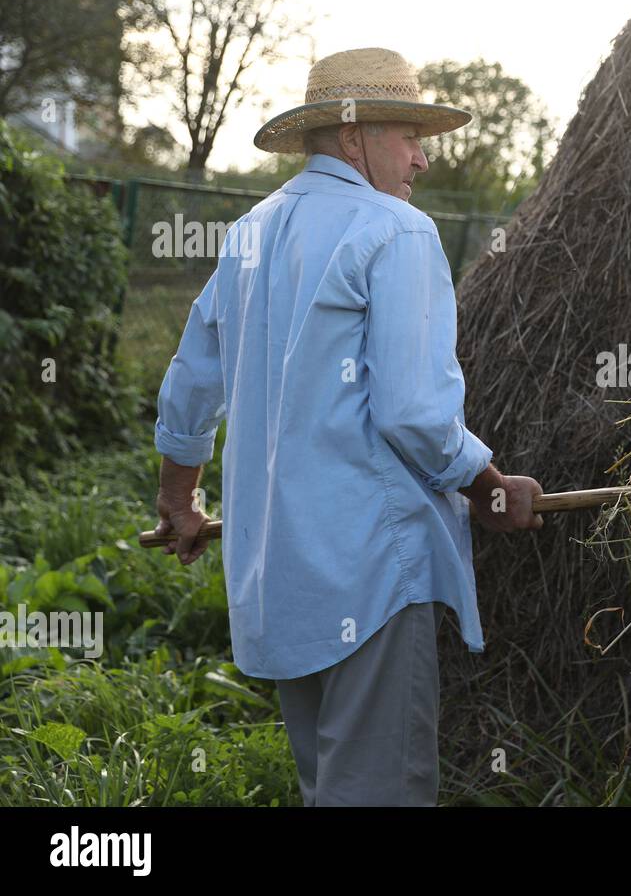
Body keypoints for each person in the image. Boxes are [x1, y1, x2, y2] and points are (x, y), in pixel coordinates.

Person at [149, 47, 543, 806]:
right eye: (409, 136)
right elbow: (413, 413)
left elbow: (193, 380)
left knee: (329, 786)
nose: (423, 160)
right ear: (356, 136)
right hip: (369, 572)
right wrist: (488, 482)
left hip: (282, 578)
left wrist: (178, 498)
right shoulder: (396, 232)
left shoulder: (249, 235)